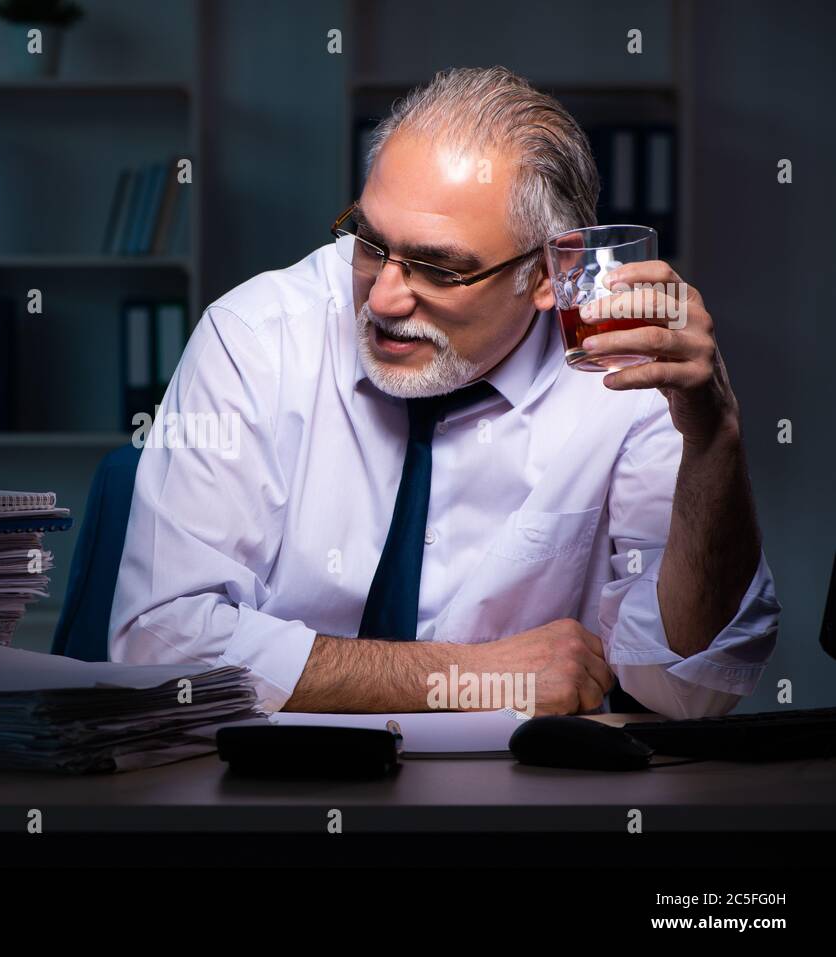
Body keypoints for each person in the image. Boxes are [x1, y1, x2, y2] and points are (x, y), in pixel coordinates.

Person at [109, 66, 779, 719]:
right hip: (276, 792)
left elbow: (690, 687)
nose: (384, 295)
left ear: (548, 275)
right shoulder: (256, 336)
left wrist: (713, 437)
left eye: (439, 266)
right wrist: (473, 677)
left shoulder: (622, 362)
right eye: (371, 243)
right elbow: (158, 644)